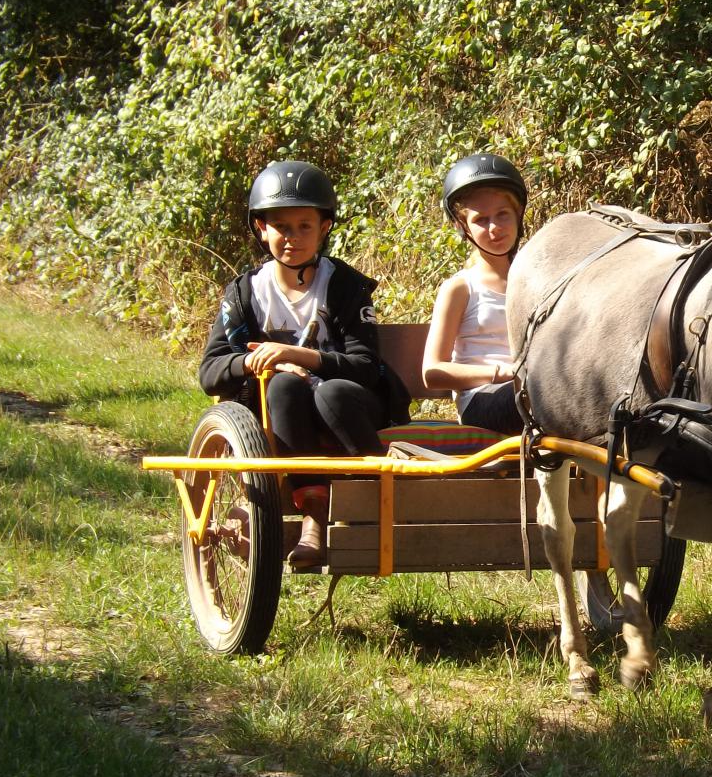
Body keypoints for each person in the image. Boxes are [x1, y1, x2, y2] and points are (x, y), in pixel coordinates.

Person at [200, 160, 407, 568]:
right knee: (283, 386)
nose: (292, 238)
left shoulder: (345, 286)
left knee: (329, 391)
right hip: (278, 407)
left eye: (304, 226)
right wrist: (259, 363)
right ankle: (313, 513)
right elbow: (210, 371)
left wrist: (297, 355)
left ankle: (369, 495)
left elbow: (365, 365)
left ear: (325, 227)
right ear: (262, 228)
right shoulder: (245, 294)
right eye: (281, 227)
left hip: (348, 401)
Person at [421, 153, 528, 435]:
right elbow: (432, 372)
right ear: (462, 226)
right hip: (484, 399)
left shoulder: (536, 280)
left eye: (503, 214)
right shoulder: (460, 288)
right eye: (481, 220)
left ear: (518, 215)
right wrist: (504, 373)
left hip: (533, 388)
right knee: (539, 395)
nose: (495, 228)